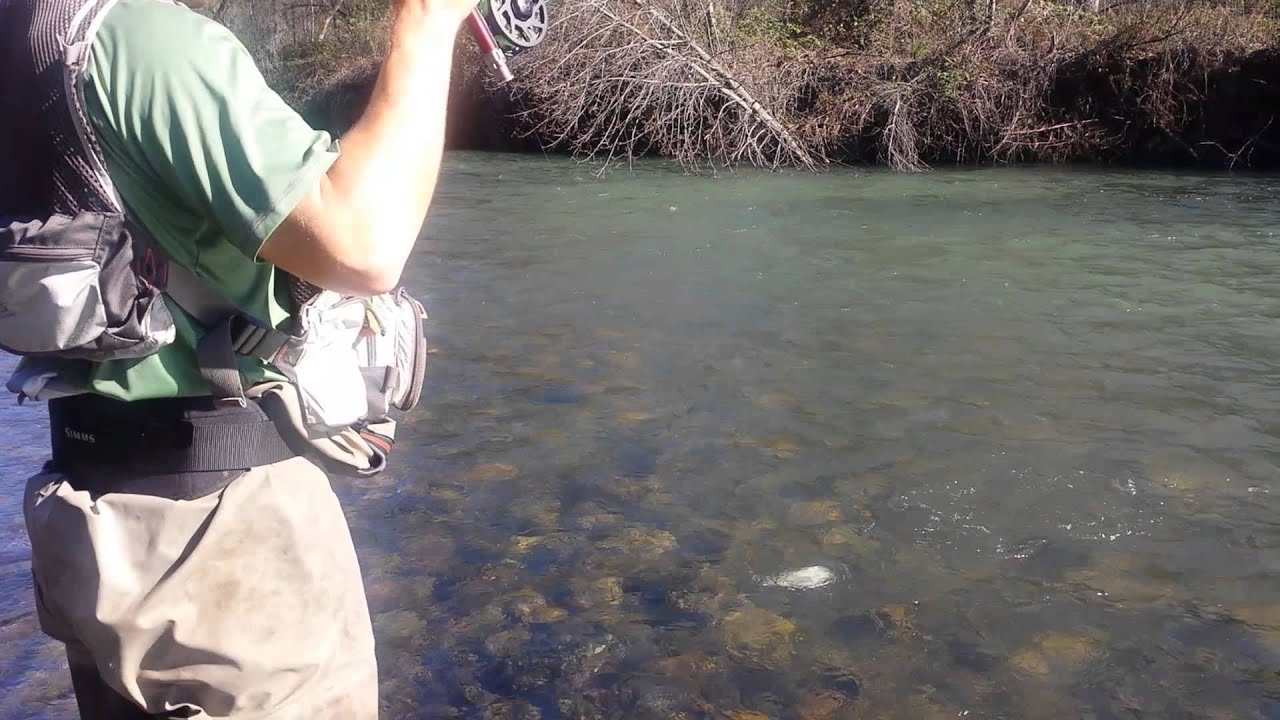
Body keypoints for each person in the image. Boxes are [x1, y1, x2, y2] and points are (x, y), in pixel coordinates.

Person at [1, 0, 478, 714]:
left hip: (83, 522)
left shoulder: (26, 35)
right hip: (219, 550)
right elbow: (365, 244)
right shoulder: (143, 40)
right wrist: (428, 23)